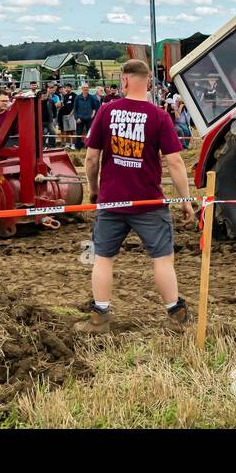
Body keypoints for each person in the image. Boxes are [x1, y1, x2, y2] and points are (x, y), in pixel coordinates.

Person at [76, 59, 195, 334]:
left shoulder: (106, 111)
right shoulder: (159, 116)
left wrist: (93, 189)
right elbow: (175, 163)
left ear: (125, 80)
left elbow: (91, 159)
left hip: (111, 200)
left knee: (103, 259)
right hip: (148, 202)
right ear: (150, 82)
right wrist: (185, 200)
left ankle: (100, 317)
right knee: (163, 260)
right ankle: (176, 317)